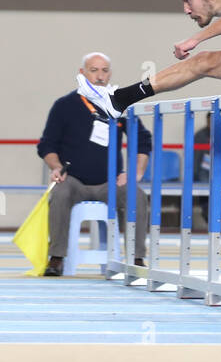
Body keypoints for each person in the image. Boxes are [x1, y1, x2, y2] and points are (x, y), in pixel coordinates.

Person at [39, 52, 150, 277]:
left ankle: (136, 258)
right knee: (59, 193)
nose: (100, 76)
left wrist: (135, 173)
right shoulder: (64, 105)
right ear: (82, 73)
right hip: (74, 180)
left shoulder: (119, 105)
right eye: (94, 70)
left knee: (136, 195)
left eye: (105, 70)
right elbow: (47, 145)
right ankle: (57, 257)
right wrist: (56, 167)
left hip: (109, 182)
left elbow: (144, 141)